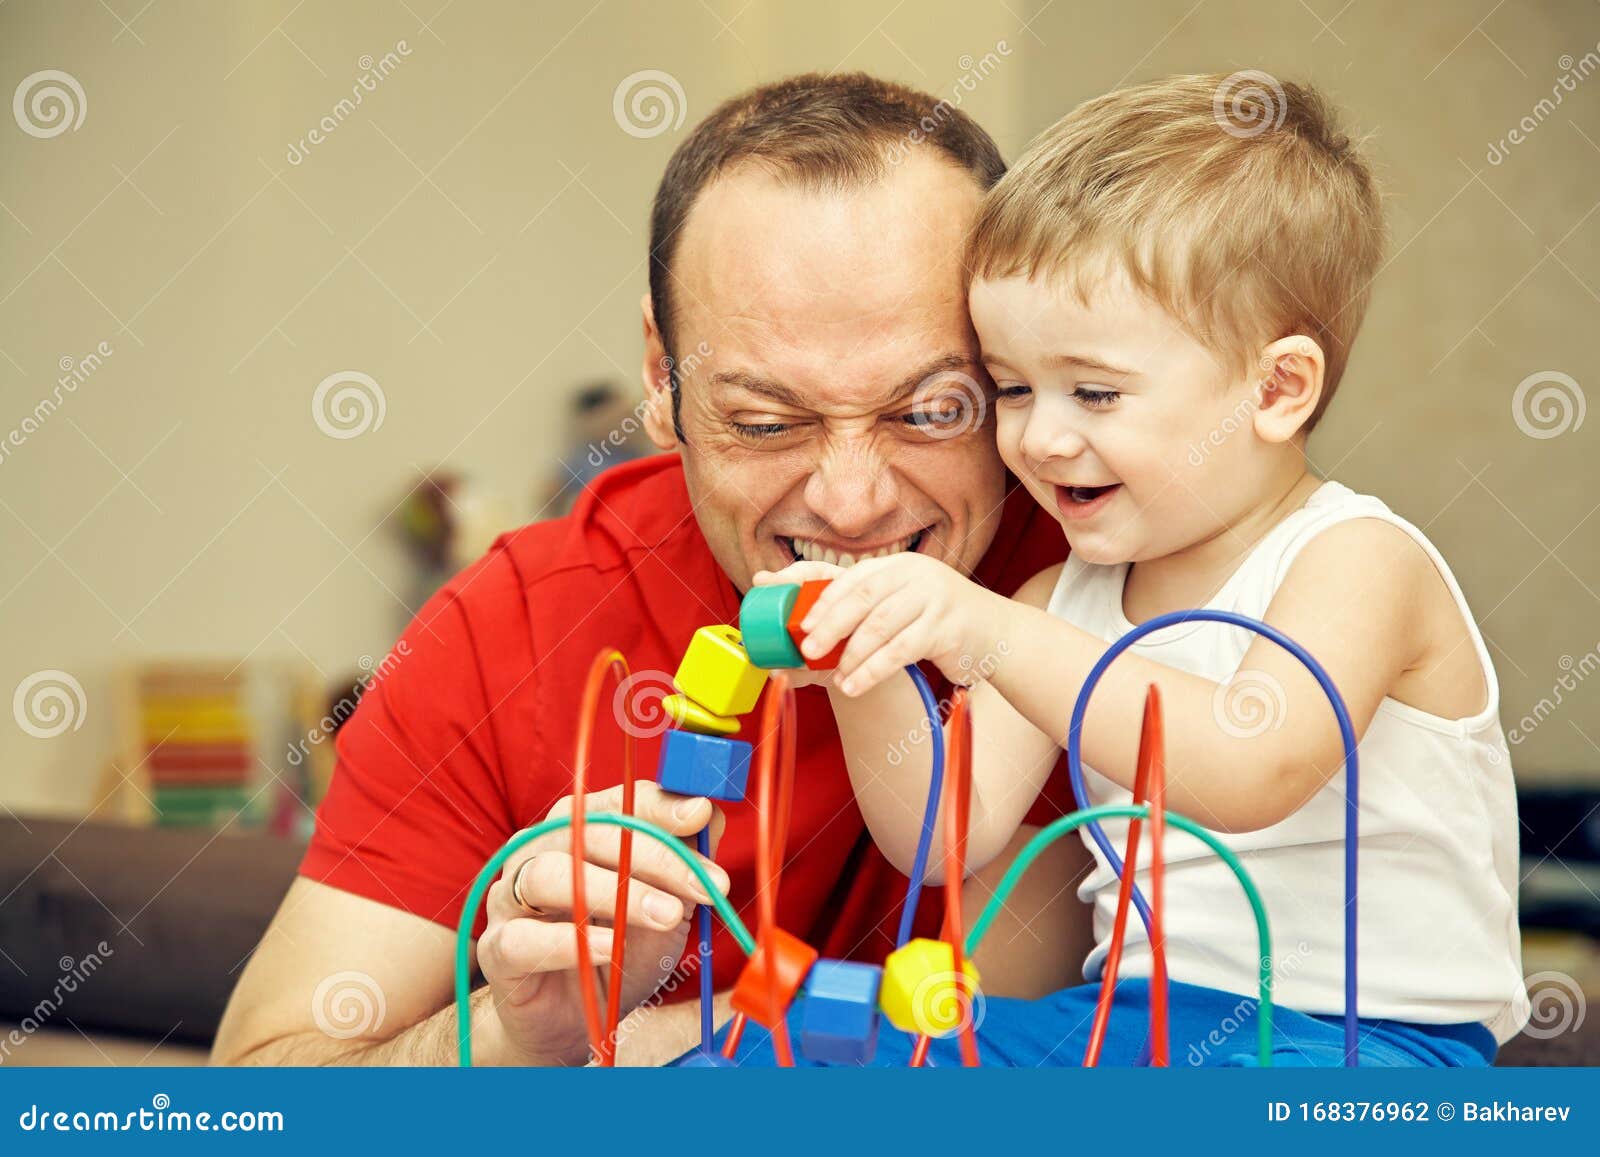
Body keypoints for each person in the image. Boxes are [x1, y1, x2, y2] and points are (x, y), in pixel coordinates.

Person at [211, 74, 1093, 1067]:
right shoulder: (512, 625)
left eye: (931, 411)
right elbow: (258, 1090)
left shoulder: (1118, 592)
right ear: (662, 379)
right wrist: (511, 1035)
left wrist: (692, 1031)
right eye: (765, 421)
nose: (852, 503)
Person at [744, 74, 1527, 1066]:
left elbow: (1252, 767)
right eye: (1012, 388)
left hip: (1363, 1047)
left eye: (1096, 392)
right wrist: (858, 659)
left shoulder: (1358, 560)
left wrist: (986, 632)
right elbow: (943, 832)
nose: (1042, 436)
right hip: (1125, 1021)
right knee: (815, 1061)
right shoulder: (1061, 600)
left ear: (1276, 388)